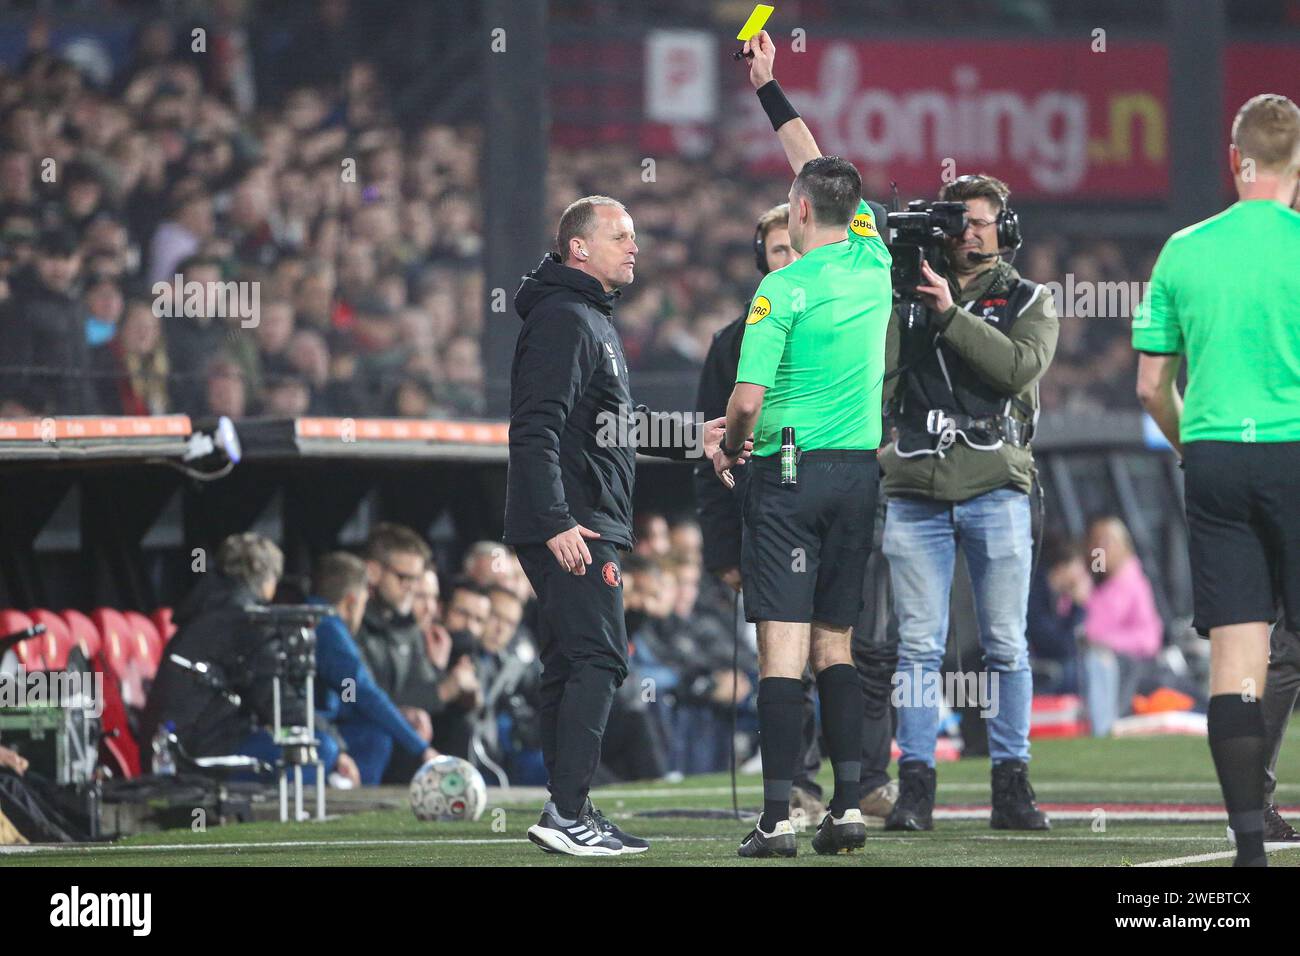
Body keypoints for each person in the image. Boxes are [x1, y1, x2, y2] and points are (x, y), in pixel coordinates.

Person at [505, 188, 736, 856]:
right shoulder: (567, 320)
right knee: (602, 660)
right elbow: (535, 428)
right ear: (579, 246)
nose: (635, 246)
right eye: (620, 235)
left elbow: (612, 426)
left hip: (579, 515)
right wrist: (555, 519)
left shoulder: (588, 319)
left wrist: (693, 435)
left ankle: (566, 808)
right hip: (574, 522)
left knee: (569, 663)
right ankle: (567, 812)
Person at [713, 30, 892, 858]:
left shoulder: (778, 289)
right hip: (860, 477)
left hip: (786, 475)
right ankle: (849, 808)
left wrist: (729, 444)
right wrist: (771, 89)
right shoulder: (875, 261)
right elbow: (817, 164)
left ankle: (779, 817)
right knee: (838, 648)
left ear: (797, 214)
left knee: (780, 653)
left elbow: (746, 402)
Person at [1133, 93, 1300, 867]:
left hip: (1215, 460)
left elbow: (1149, 388)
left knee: (1237, 662)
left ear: (1238, 162)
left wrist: (1188, 443)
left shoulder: (1182, 250)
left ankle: (1247, 849)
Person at [878, 165, 1058, 832]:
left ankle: (1012, 785)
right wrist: (901, 300)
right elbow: (883, 382)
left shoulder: (1030, 298)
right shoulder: (905, 295)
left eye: (982, 222)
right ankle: (915, 788)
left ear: (1004, 230)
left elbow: (1016, 369)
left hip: (996, 483)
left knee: (1006, 645)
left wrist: (949, 315)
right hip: (916, 485)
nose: (970, 235)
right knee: (918, 647)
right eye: (960, 223)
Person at [310, 551, 437, 786]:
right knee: (376, 738)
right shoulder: (328, 628)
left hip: (318, 724)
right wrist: (421, 749)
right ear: (351, 601)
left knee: (372, 734)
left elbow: (350, 693)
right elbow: (365, 694)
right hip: (312, 731)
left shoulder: (311, 616)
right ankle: (352, 806)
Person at [1080, 516, 1162, 737]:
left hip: (1127, 665)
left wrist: (1106, 642)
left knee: (1101, 661)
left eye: (1106, 541)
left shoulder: (1134, 584)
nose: (1099, 548)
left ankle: (1106, 727)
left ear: (1123, 546)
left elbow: (1149, 638)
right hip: (1086, 660)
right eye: (1095, 541)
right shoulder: (1087, 584)